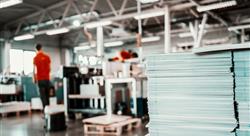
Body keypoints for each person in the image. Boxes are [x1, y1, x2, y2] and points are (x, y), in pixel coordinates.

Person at [33, 44, 51, 109]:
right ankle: (49, 111)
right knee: (47, 95)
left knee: (43, 96)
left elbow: (35, 70)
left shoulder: (35, 58)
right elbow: (49, 68)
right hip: (47, 79)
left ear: (36, 49)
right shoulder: (47, 57)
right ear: (41, 48)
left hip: (40, 79)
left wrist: (34, 79)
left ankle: (45, 111)